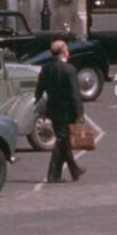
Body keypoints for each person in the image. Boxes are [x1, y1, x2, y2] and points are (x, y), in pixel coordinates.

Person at [34, 40, 86, 183]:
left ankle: (75, 170)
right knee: (62, 141)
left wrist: (39, 105)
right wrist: (79, 114)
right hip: (67, 112)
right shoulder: (69, 70)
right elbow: (75, 94)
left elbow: (39, 89)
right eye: (67, 49)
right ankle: (53, 175)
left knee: (65, 142)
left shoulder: (46, 68)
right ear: (63, 51)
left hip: (53, 110)